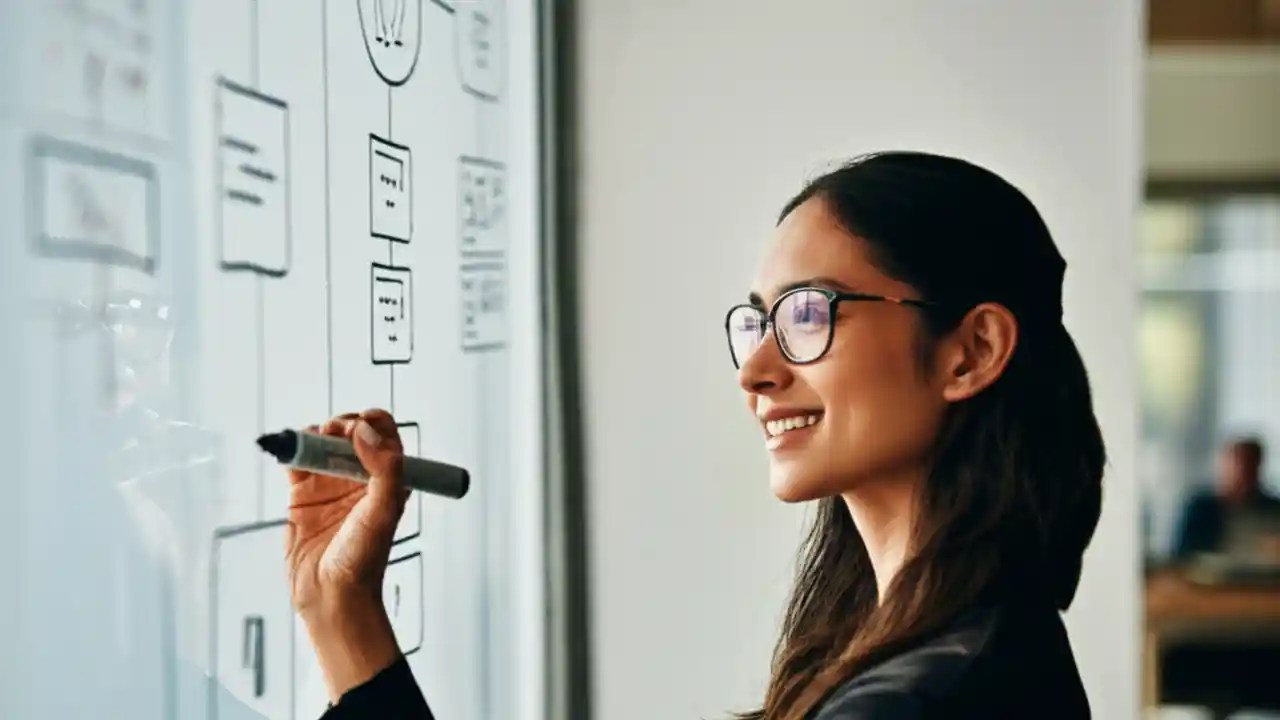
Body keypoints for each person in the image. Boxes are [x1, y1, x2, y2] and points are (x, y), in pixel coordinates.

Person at [285, 152, 1105, 719]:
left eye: (809, 314)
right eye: (758, 320)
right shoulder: (978, 642)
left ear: (973, 352)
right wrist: (339, 609)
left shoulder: (923, 699)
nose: (754, 370)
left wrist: (342, 620)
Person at [1171, 436, 1280, 562]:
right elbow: (1182, 555)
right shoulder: (1202, 508)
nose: (1243, 471)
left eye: (1250, 464)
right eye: (1238, 463)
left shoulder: (1273, 509)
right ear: (1223, 465)